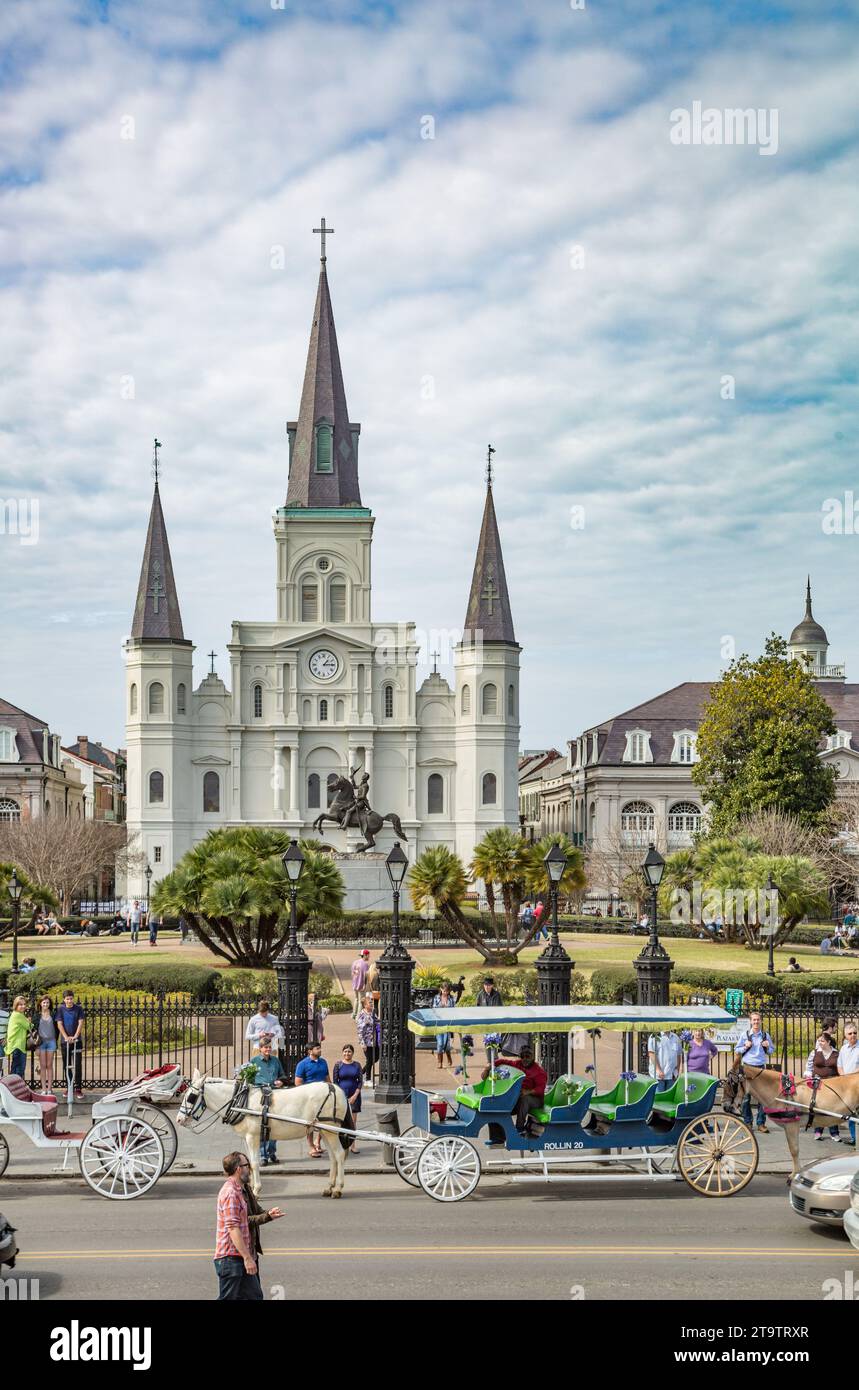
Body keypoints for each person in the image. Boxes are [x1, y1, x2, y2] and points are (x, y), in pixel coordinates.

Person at [214, 1152, 265, 1300]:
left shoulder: (239, 1190)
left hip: (238, 1258)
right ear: (238, 1169)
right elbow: (233, 1228)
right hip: (231, 1259)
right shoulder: (231, 1193)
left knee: (254, 1296)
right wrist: (247, 1258)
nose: (249, 1168)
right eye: (247, 1165)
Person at [483, 1044, 547, 1137]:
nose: (525, 1059)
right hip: (518, 1098)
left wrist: (528, 1091)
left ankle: (519, 1129)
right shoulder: (517, 1064)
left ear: (532, 1057)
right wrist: (487, 1068)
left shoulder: (539, 1071)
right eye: (522, 1056)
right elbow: (500, 1061)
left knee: (525, 1099)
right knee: (496, 1106)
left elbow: (540, 1089)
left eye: (528, 1056)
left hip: (535, 1100)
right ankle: (498, 1137)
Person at [734, 1012, 773, 1133]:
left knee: (762, 1097)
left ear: (761, 1021)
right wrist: (744, 1047)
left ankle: (761, 1123)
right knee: (746, 1097)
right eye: (754, 1020)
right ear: (750, 1021)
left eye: (758, 1020)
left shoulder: (766, 1036)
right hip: (747, 1067)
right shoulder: (744, 1035)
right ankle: (748, 1122)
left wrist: (768, 1047)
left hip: (761, 1068)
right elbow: (736, 1049)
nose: (756, 1022)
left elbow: (771, 1051)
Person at [249, 1038, 286, 1166]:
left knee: (274, 1124)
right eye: (266, 1047)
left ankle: (272, 1153)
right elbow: (248, 1079)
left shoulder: (275, 1061)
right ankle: (263, 1155)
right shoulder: (254, 1061)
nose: (268, 1049)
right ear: (260, 1048)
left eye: (269, 1047)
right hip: (260, 1094)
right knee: (262, 1125)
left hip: (275, 1093)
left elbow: (283, 1075)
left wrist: (281, 1081)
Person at [294, 1041, 329, 1158]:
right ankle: (311, 1147)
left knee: (323, 1122)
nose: (320, 1050)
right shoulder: (302, 1064)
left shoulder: (323, 1062)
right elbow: (298, 1083)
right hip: (310, 1099)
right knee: (310, 1123)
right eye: (317, 1048)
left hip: (323, 1097)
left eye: (320, 1048)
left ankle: (317, 1142)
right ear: (310, 1051)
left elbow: (327, 1079)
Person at [805, 1032, 840, 1140]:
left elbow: (840, 1067)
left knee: (833, 1108)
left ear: (829, 1042)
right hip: (818, 1083)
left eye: (822, 1041)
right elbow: (809, 1066)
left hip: (832, 1084)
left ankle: (834, 1133)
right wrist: (808, 1075)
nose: (820, 1043)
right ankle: (818, 1131)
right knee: (818, 1107)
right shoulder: (814, 1052)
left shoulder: (836, 1053)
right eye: (819, 1041)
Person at [332, 1043, 363, 1153]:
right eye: (345, 1051)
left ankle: (353, 1145)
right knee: (340, 1121)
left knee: (353, 1122)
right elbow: (335, 1081)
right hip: (341, 1095)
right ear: (342, 1053)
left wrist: (355, 1095)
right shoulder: (338, 1065)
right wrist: (342, 1096)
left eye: (349, 1051)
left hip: (354, 1095)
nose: (347, 1053)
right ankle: (340, 1144)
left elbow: (360, 1082)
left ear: (352, 1053)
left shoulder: (357, 1065)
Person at [54, 989, 84, 1099]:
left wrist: (75, 1036)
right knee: (66, 1065)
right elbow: (59, 1024)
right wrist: (66, 1037)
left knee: (77, 1065)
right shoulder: (60, 1009)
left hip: (77, 1041)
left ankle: (78, 1088)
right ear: (64, 999)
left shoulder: (79, 1009)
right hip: (64, 1042)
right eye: (67, 999)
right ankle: (69, 1087)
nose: (69, 1001)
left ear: (73, 998)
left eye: (71, 998)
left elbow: (80, 1023)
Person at [34, 995, 58, 1093]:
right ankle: (43, 1089)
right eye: (44, 1002)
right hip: (41, 1043)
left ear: (49, 1004)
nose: (45, 1004)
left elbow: (57, 1028)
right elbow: (33, 1031)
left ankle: (49, 1089)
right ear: (40, 1003)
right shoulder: (36, 1015)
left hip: (51, 1042)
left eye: (47, 1002)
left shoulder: (53, 1014)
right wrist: (36, 1047)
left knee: (49, 1065)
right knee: (43, 1065)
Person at [432, 980, 456, 1069]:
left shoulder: (451, 998)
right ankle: (440, 1062)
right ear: (441, 989)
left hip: (447, 1024)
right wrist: (441, 1007)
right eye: (444, 990)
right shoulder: (436, 998)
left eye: (447, 991)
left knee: (446, 1044)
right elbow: (434, 1009)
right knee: (440, 1043)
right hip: (438, 1023)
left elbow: (454, 1011)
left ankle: (449, 1057)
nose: (445, 992)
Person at [3, 996, 29, 1078]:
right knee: (19, 1070)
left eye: (24, 1004)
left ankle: (12, 1088)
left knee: (15, 1068)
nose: (23, 1006)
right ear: (16, 1005)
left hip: (16, 1045)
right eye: (20, 1004)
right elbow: (29, 1026)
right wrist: (29, 1021)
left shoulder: (16, 1014)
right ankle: (14, 1088)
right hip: (18, 1046)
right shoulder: (18, 1015)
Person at [356, 994, 377, 1083]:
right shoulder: (362, 1015)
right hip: (367, 1041)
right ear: (365, 1005)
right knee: (370, 1060)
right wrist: (362, 1043)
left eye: (372, 1003)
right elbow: (360, 1030)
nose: (372, 1004)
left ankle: (360, 1073)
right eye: (370, 1003)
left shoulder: (372, 1012)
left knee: (375, 1058)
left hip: (375, 1040)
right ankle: (367, 1079)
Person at [350, 949, 370, 1019]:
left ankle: (354, 1014)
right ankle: (358, 1017)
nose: (369, 957)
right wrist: (365, 985)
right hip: (361, 984)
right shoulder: (365, 964)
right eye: (368, 955)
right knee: (361, 1000)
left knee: (356, 999)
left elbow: (352, 973)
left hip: (355, 983)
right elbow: (366, 976)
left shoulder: (355, 962)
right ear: (365, 955)